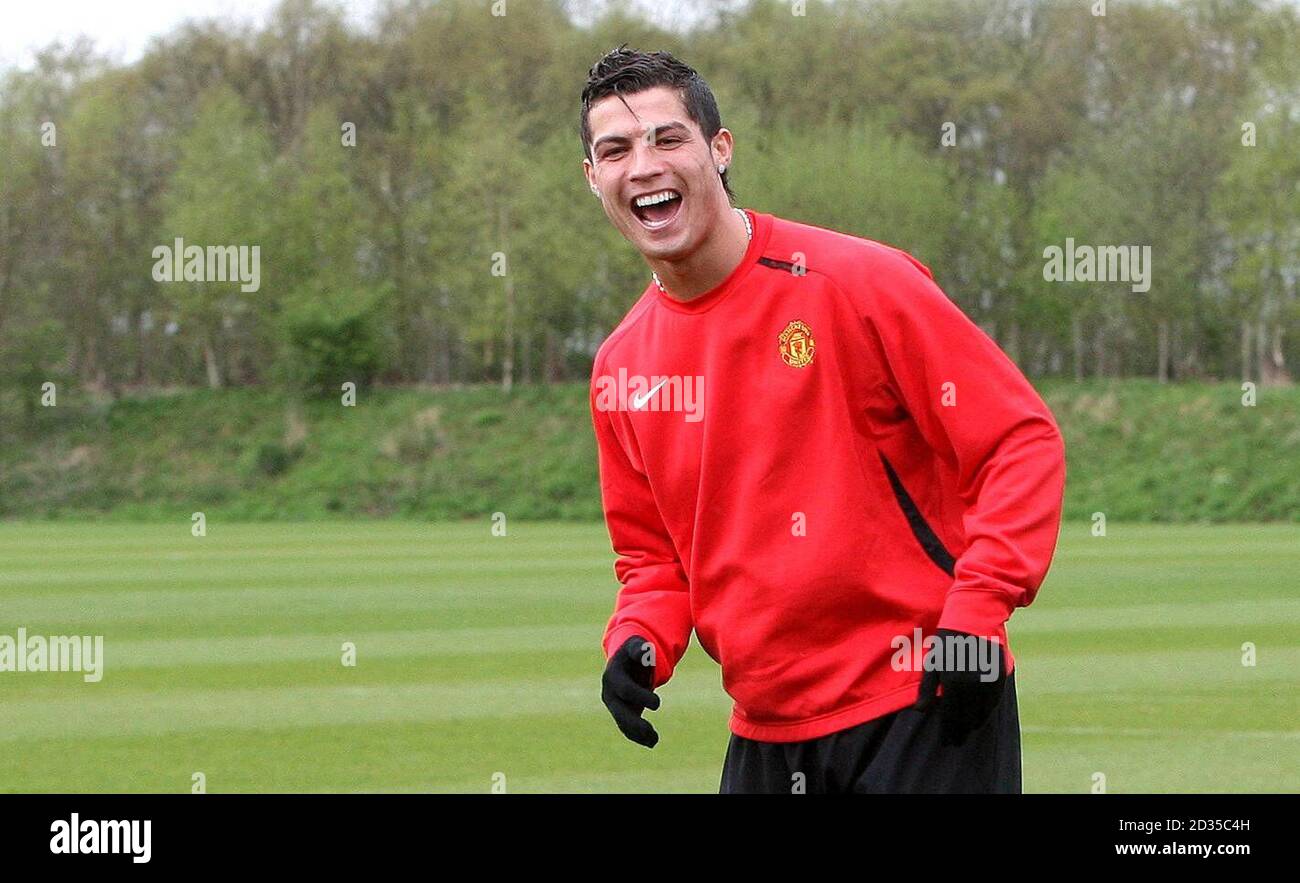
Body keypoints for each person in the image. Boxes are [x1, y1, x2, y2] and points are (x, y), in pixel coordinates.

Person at [581, 45, 1066, 794]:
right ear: (594, 179)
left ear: (719, 148)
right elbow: (653, 558)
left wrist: (978, 611)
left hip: (923, 700)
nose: (642, 165)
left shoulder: (859, 282)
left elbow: (1016, 440)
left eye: (666, 138)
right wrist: (638, 637)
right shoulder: (621, 366)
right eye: (615, 149)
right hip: (767, 730)